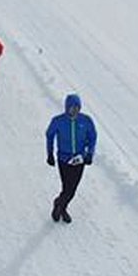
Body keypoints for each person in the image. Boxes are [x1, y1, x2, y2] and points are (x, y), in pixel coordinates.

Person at [45, 94, 97, 223]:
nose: (74, 111)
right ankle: (59, 206)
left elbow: (93, 137)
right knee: (67, 187)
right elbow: (49, 135)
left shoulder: (86, 121)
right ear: (66, 107)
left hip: (80, 159)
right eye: (71, 108)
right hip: (64, 159)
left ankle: (61, 206)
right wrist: (50, 154)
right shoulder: (58, 121)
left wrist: (90, 153)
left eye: (77, 108)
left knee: (72, 189)